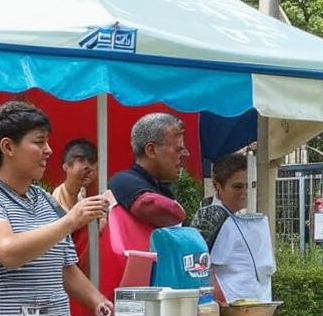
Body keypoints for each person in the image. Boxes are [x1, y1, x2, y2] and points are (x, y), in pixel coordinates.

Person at [0, 101, 113, 316]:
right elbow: (8, 252)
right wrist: (70, 221)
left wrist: (99, 301)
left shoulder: (45, 200)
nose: (49, 150)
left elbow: (65, 268)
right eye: (39, 142)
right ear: (7, 147)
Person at [191, 152, 275, 302]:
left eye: (249, 186)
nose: (245, 193)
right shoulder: (210, 216)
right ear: (217, 186)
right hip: (226, 306)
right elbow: (195, 265)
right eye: (237, 187)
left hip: (258, 304)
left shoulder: (248, 216)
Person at [50, 138, 109, 316]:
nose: (88, 167)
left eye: (92, 163)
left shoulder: (88, 200)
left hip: (87, 285)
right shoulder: (53, 202)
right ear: (65, 167)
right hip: (64, 285)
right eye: (81, 161)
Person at [107, 112, 188, 226]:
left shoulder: (161, 188)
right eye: (177, 150)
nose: (184, 155)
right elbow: (151, 206)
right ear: (151, 150)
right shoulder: (122, 181)